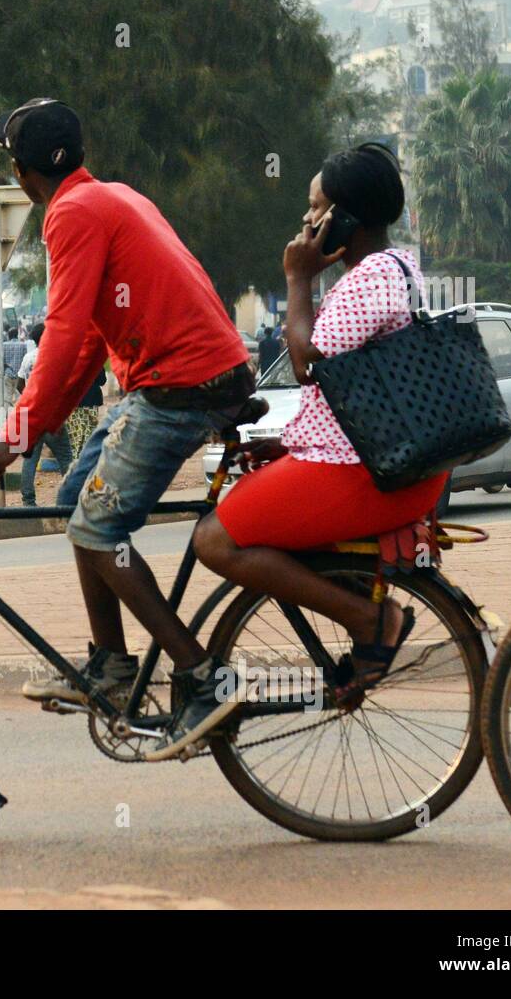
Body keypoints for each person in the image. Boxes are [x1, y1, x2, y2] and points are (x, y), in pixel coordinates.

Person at [0, 98, 254, 761]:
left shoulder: (70, 213)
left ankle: (204, 677)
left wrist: (13, 437)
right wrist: (31, 431)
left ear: (18, 169)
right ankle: (112, 666)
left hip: (181, 386)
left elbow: (62, 333)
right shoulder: (106, 196)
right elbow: (89, 338)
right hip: (188, 377)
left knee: (96, 528)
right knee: (75, 504)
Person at [193, 143, 450, 722]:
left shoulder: (370, 279)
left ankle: (370, 620)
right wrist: (288, 443)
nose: (307, 222)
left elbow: (310, 364)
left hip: (365, 476)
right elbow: (358, 392)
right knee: (258, 523)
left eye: (316, 208)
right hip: (374, 462)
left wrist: (296, 277)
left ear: (348, 218)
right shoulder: (395, 267)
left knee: (215, 540)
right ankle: (359, 608)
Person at [15, 322, 74, 505]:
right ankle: (70, 498)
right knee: (66, 458)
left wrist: (30, 398)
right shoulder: (56, 356)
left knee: (30, 459)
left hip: (32, 415)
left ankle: (28, 500)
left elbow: (19, 384)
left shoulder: (28, 358)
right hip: (52, 414)